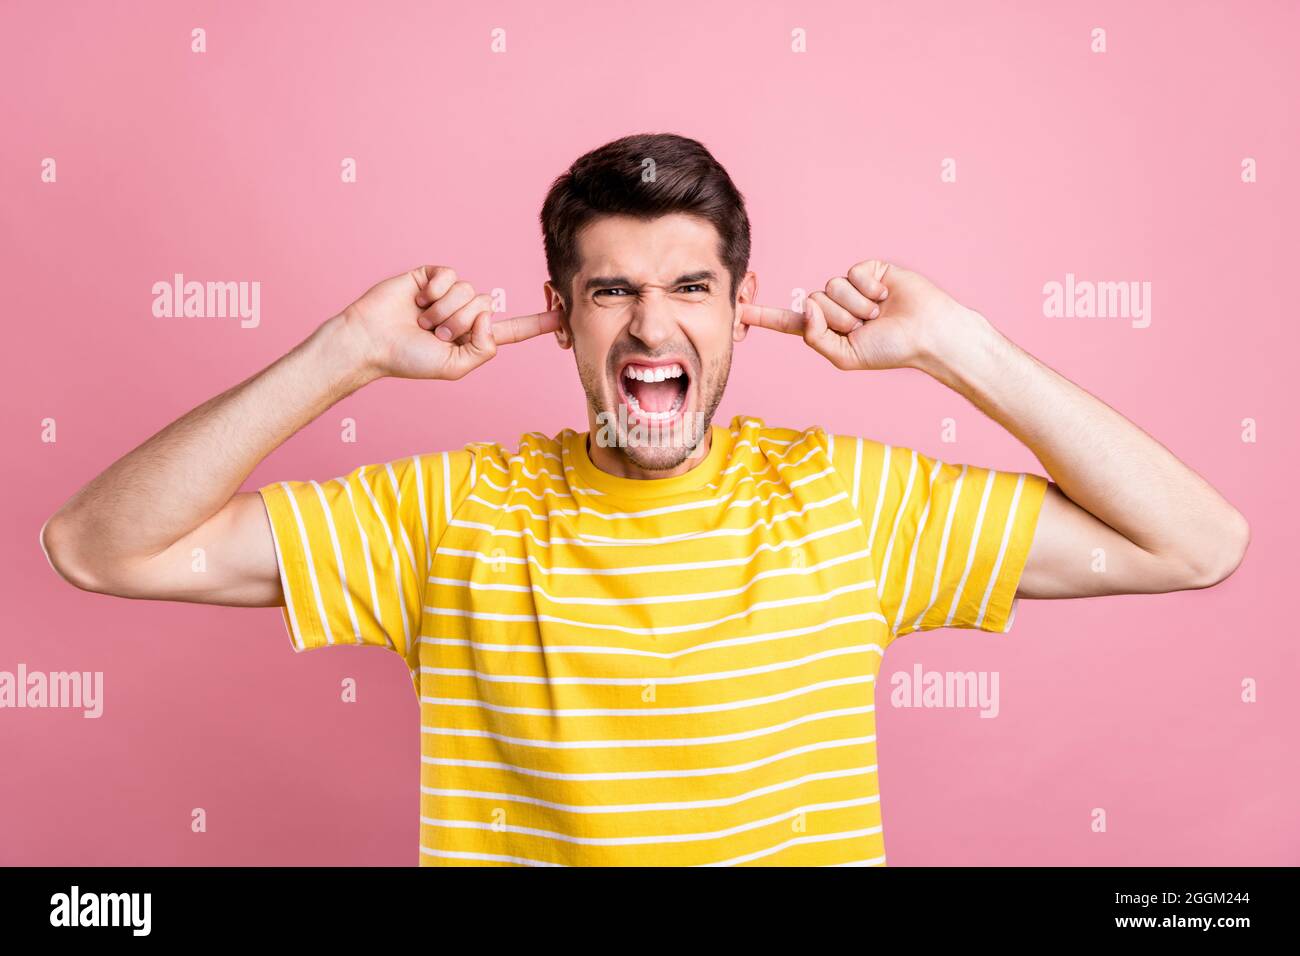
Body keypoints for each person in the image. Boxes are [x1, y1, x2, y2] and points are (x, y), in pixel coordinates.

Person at [39, 132, 1249, 867]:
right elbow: (99, 547)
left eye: (688, 286)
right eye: (611, 290)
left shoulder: (847, 500)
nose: (652, 326)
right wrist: (339, 352)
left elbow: (1196, 542)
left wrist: (963, 348)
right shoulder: (450, 515)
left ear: (740, 306)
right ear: (559, 314)